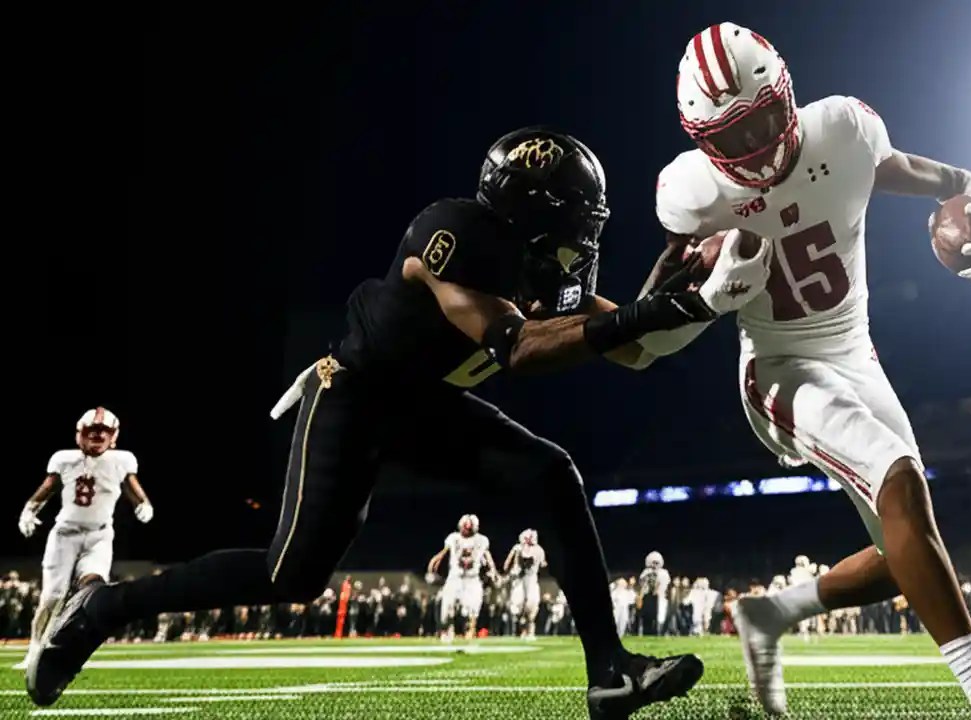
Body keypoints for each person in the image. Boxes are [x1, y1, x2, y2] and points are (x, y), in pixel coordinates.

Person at [27, 126, 763, 718]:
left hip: (426, 406)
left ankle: (610, 673)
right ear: (531, 213)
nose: (581, 236)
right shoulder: (454, 237)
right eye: (571, 218)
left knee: (551, 472)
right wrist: (655, 308)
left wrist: (688, 297)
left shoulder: (535, 259)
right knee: (293, 575)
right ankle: (102, 608)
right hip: (355, 394)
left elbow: (629, 346)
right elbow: (519, 349)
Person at [639, 23, 971, 719]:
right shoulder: (693, 193)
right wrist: (703, 301)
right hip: (776, 366)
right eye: (735, 137)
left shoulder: (845, 131)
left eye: (767, 119)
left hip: (857, 353)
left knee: (906, 549)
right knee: (896, 476)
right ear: (703, 140)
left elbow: (922, 174)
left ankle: (772, 612)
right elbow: (646, 327)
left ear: (788, 96)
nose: (759, 145)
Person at [15, 408, 154, 669]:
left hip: (99, 535)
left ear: (114, 436)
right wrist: (29, 510)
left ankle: (71, 648)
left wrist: (143, 504)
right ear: (80, 433)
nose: (98, 435)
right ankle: (35, 650)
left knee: (92, 590)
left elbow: (131, 485)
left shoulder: (121, 460)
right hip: (65, 536)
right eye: (93, 431)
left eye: (104, 431)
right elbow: (48, 488)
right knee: (52, 596)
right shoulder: (64, 459)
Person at [426, 514, 494, 641]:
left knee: (472, 608)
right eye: (465, 527)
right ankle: (447, 629)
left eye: (469, 527)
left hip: (472, 578)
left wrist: (493, 570)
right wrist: (432, 565)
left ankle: (469, 630)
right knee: (447, 606)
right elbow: (443, 553)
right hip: (455, 577)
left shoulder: (481, 540)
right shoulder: (453, 538)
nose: (466, 530)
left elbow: (487, 555)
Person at [503, 527, 547, 639]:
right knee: (517, 606)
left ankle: (530, 630)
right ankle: (522, 629)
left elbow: (542, 564)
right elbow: (507, 563)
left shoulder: (539, 550)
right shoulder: (517, 548)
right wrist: (511, 570)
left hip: (531, 579)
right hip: (519, 580)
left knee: (531, 606)